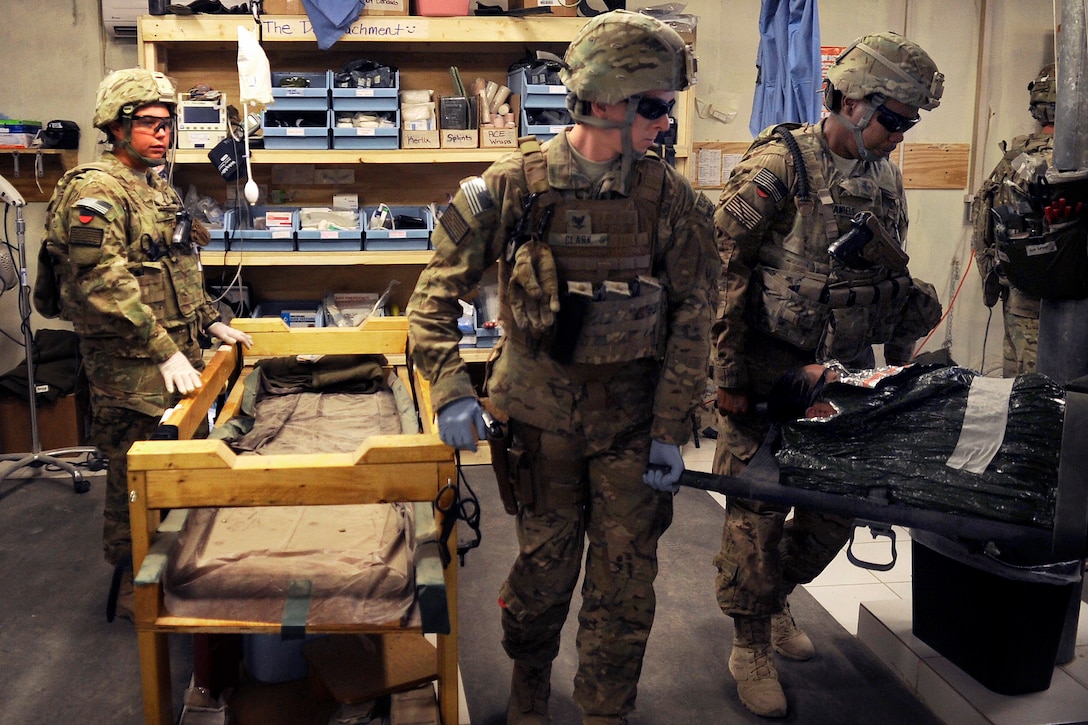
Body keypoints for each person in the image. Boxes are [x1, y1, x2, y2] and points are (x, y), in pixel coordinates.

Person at [406, 11, 717, 724]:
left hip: (632, 431)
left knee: (625, 586)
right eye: (657, 107)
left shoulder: (668, 199)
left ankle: (606, 710)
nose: (666, 125)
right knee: (542, 578)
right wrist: (452, 388)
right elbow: (432, 297)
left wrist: (673, 427)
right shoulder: (512, 185)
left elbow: (696, 316)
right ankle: (528, 691)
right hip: (539, 427)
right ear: (608, 100)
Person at [709, 32, 944, 717]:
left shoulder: (884, 177)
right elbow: (723, 268)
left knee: (835, 514)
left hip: (843, 377)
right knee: (755, 513)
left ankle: (774, 597)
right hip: (766, 370)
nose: (899, 135)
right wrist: (726, 373)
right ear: (847, 100)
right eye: (892, 119)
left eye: (909, 122)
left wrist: (902, 369)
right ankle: (749, 637)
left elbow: (889, 276)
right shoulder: (779, 164)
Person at [32, 67, 252, 621]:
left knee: (176, 458)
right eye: (148, 123)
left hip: (173, 352)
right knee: (134, 469)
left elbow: (175, 266)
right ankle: (134, 581)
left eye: (167, 124)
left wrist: (210, 321)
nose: (162, 133)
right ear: (117, 126)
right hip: (128, 363)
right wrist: (164, 348)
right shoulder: (95, 189)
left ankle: (175, 555)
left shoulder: (155, 185)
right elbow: (103, 281)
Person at [970, 63, 1055, 376]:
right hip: (1061, 300)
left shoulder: (1015, 156)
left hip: (1015, 293)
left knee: (1016, 382)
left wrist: (991, 282)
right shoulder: (1072, 160)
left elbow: (982, 220)